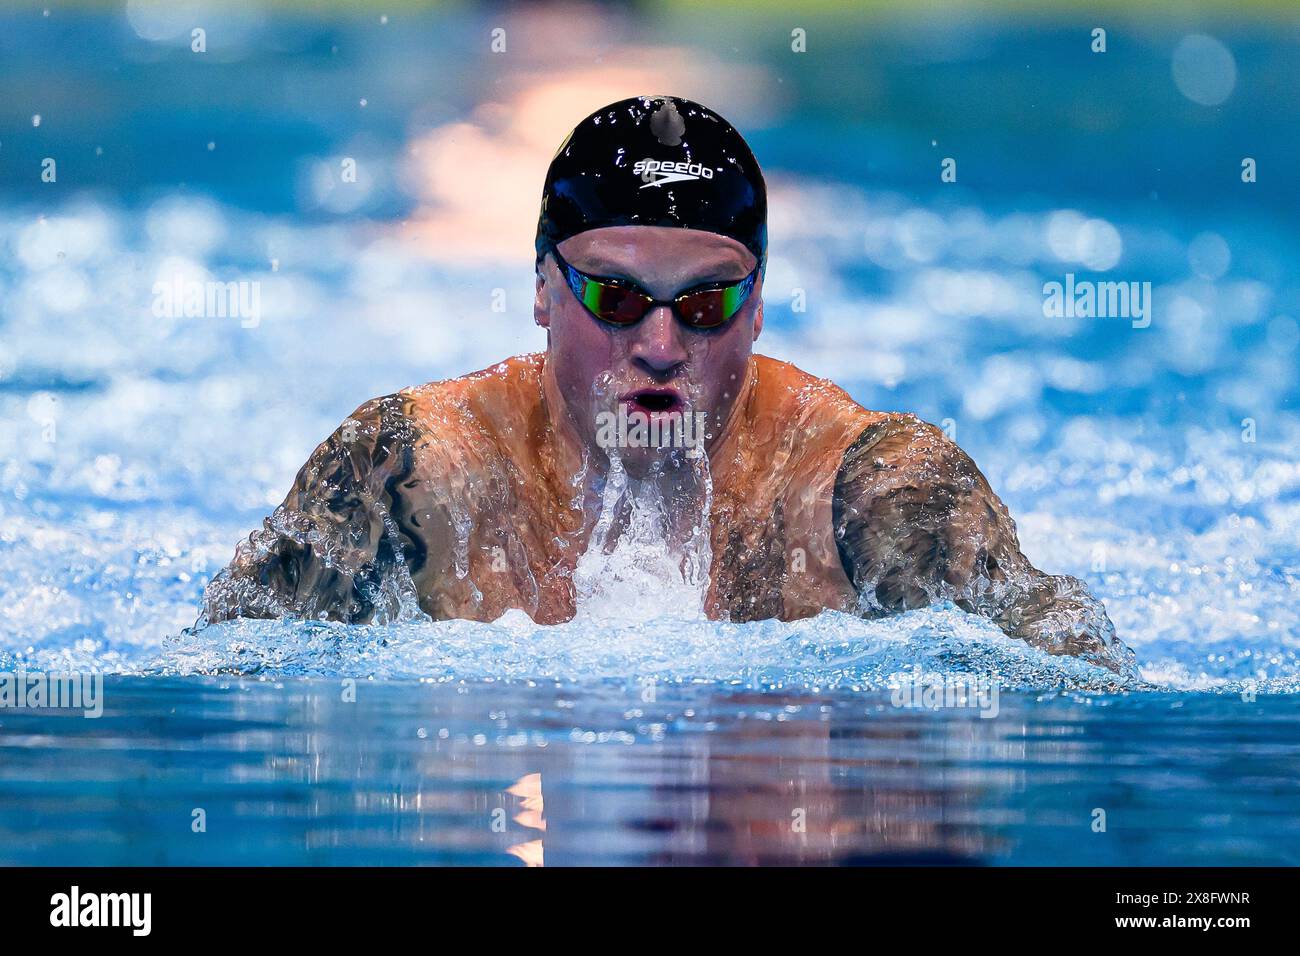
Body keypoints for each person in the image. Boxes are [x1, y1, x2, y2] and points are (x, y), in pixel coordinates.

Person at [203, 94, 1134, 675]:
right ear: (540, 289)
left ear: (759, 304)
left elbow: (1083, 685)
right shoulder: (411, 471)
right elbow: (221, 678)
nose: (657, 344)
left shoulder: (872, 490)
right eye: (614, 297)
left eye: (704, 304)